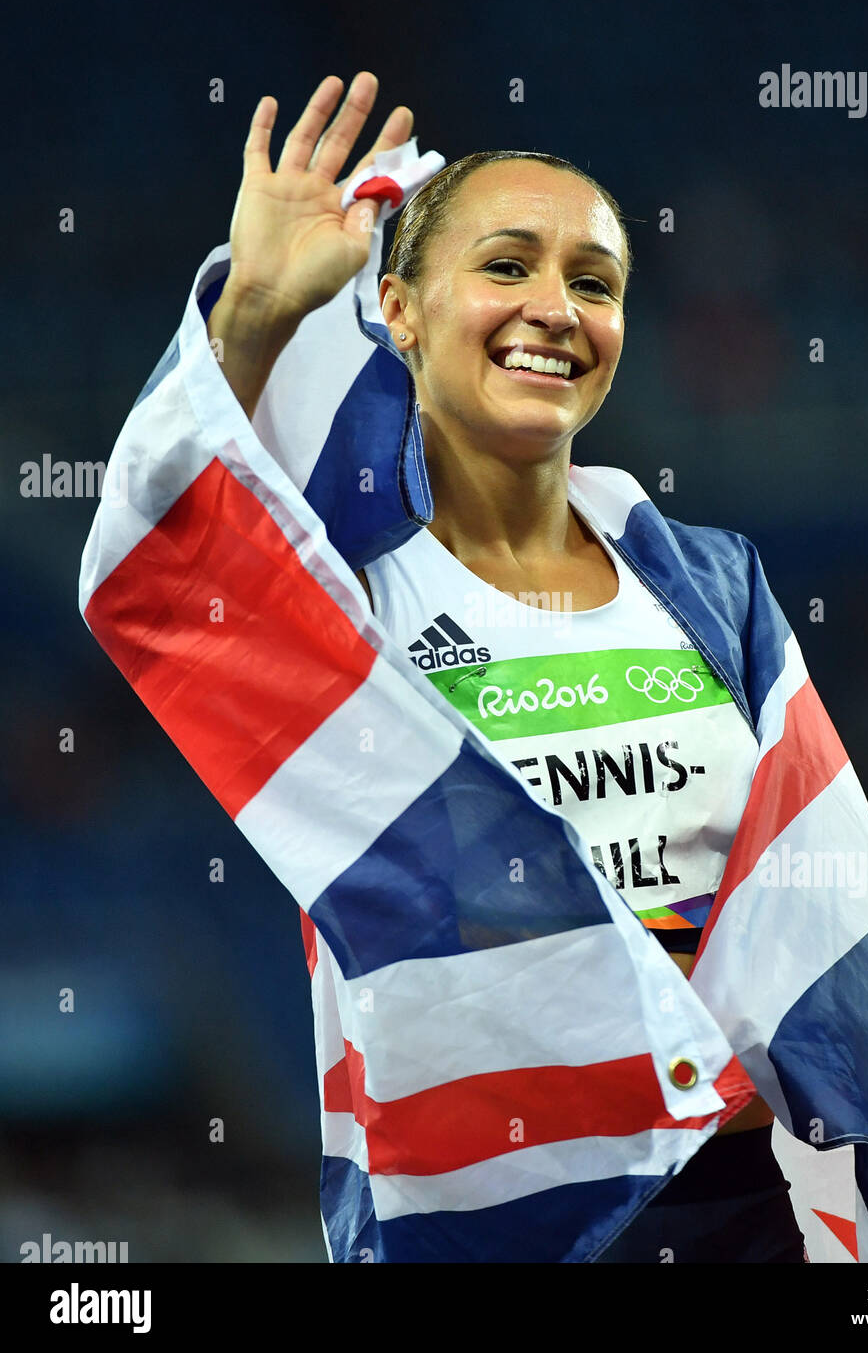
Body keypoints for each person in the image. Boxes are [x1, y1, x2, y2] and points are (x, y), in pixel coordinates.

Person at [206, 71, 805, 1262]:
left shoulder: (706, 578)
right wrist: (258, 310)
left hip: (743, 1204)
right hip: (487, 1216)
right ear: (399, 308)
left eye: (594, 282)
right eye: (506, 265)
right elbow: (168, 577)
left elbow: (807, 889)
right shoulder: (347, 605)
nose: (555, 307)